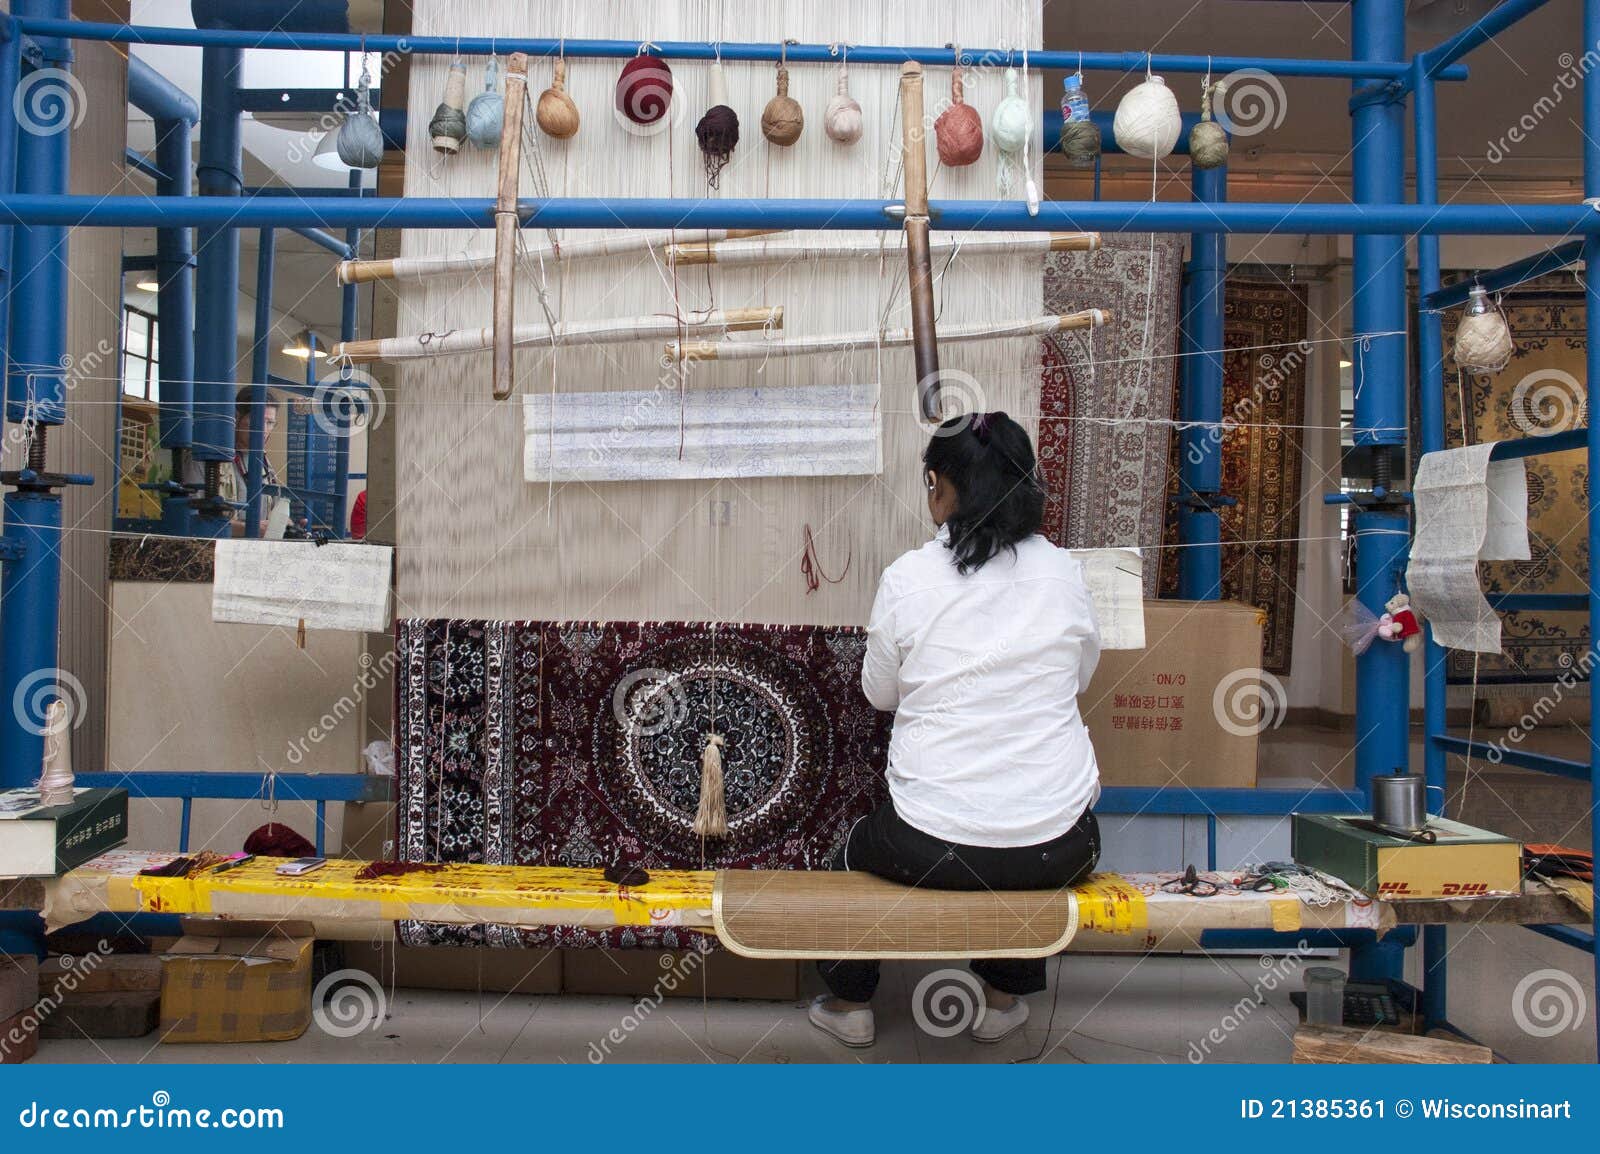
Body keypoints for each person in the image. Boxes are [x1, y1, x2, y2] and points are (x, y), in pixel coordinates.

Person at [809, 411, 1103, 1048]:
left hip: (926, 844)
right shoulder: (1066, 575)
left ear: (940, 487)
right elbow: (1078, 680)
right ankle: (1001, 1000)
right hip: (1059, 847)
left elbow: (878, 693)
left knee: (850, 854)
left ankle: (849, 1003)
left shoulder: (909, 579)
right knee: (1021, 847)